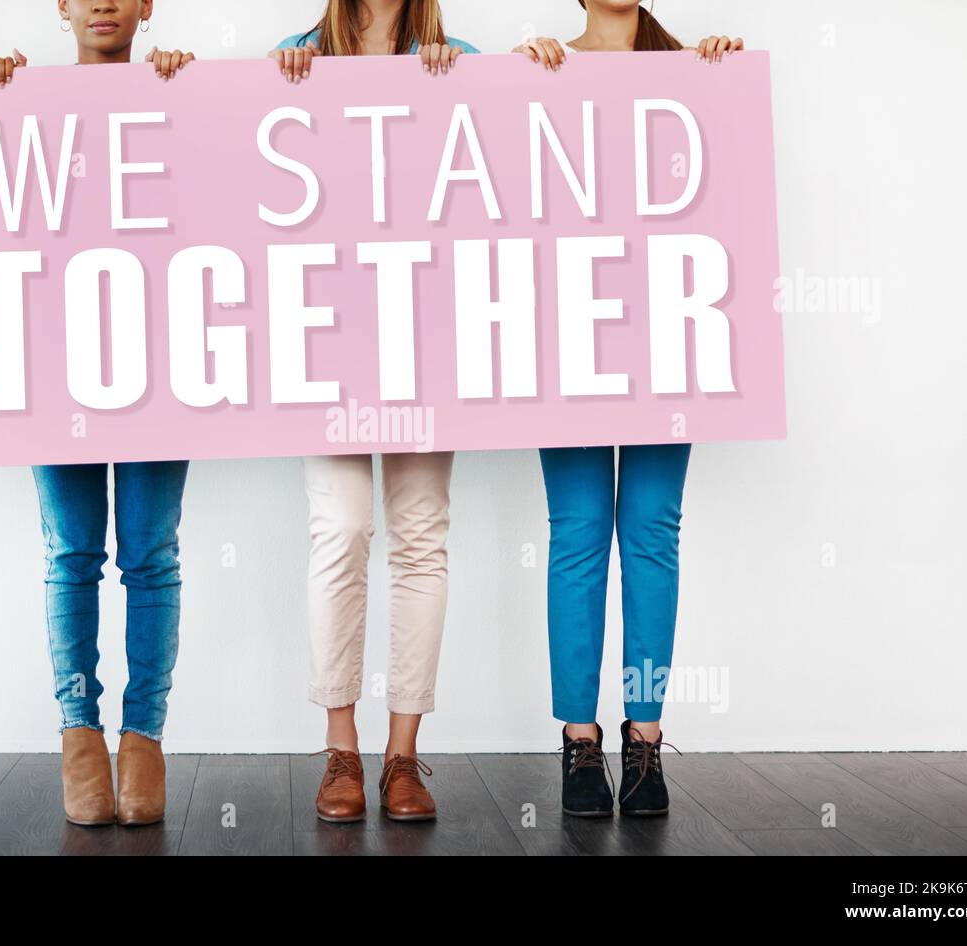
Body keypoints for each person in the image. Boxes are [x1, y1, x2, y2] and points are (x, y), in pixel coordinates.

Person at [513, 0, 743, 819]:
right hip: (571, 326)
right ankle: (580, 742)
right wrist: (515, 82)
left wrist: (718, 76)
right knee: (578, 533)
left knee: (651, 529)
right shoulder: (543, 66)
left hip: (666, 326)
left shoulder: (692, 67)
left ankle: (643, 740)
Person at [0, 0, 196, 828]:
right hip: (54, 357)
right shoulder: (20, 100)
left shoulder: (181, 94)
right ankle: (78, 737)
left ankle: (143, 739)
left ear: (147, 5)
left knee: (150, 554)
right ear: (60, 6)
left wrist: (192, 99)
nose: (103, 0)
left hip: (158, 358)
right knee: (71, 554)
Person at [270, 0, 477, 824]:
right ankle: (341, 748)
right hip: (327, 334)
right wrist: (275, 87)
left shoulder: (456, 57)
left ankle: (402, 755)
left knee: (421, 531)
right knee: (342, 528)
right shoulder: (296, 56)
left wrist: (497, 79)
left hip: (425, 330)